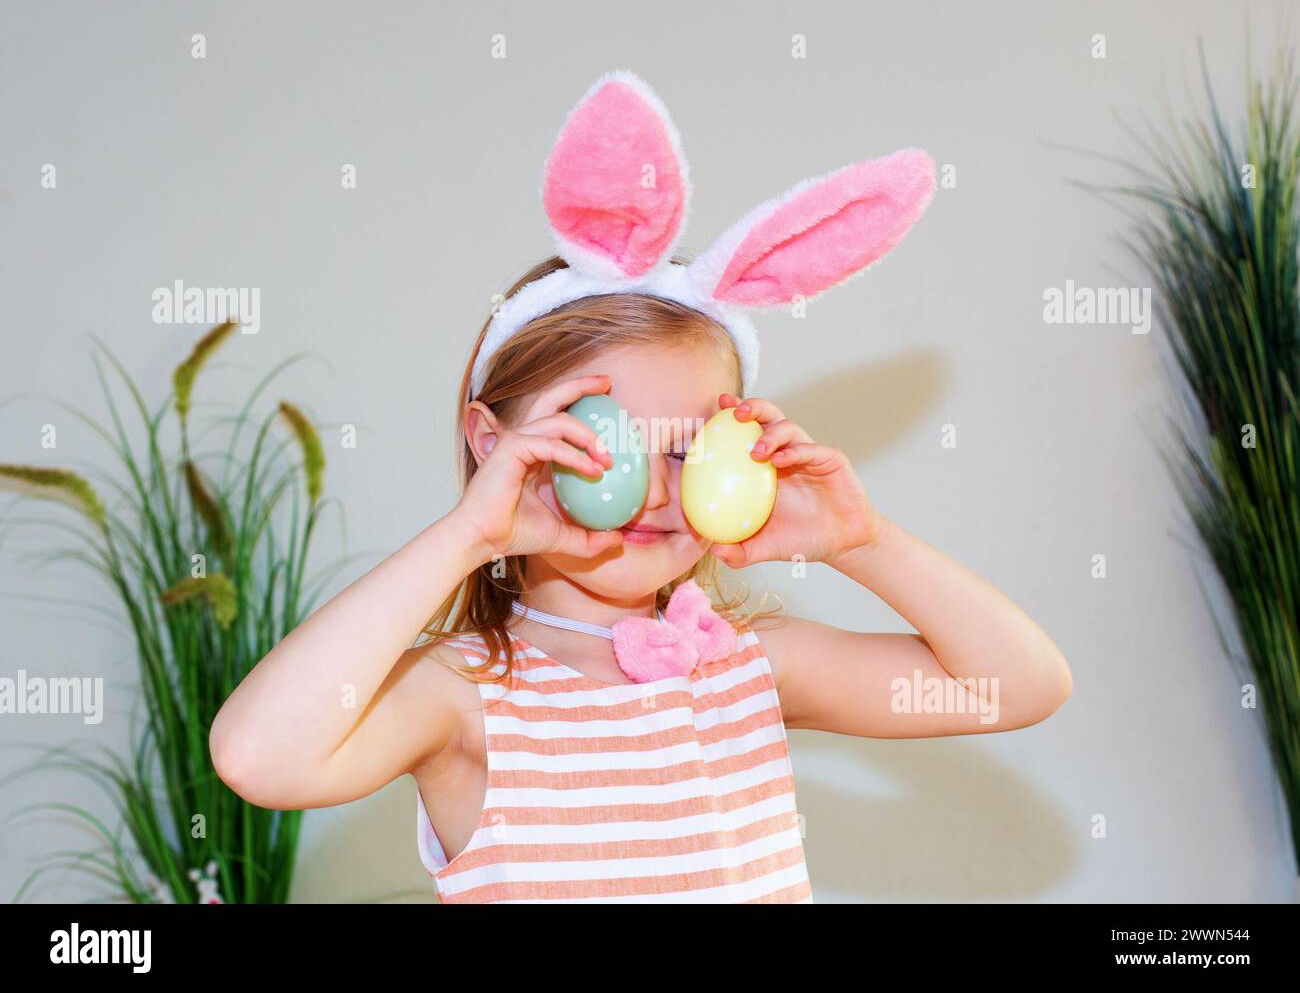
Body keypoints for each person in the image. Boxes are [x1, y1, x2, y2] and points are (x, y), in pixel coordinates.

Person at [210, 72, 1071, 904]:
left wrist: (865, 543)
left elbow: (1021, 685)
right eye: (611, 445)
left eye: (692, 450)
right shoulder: (464, 699)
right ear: (496, 445)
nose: (659, 493)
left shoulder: (749, 667)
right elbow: (257, 756)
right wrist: (469, 532)